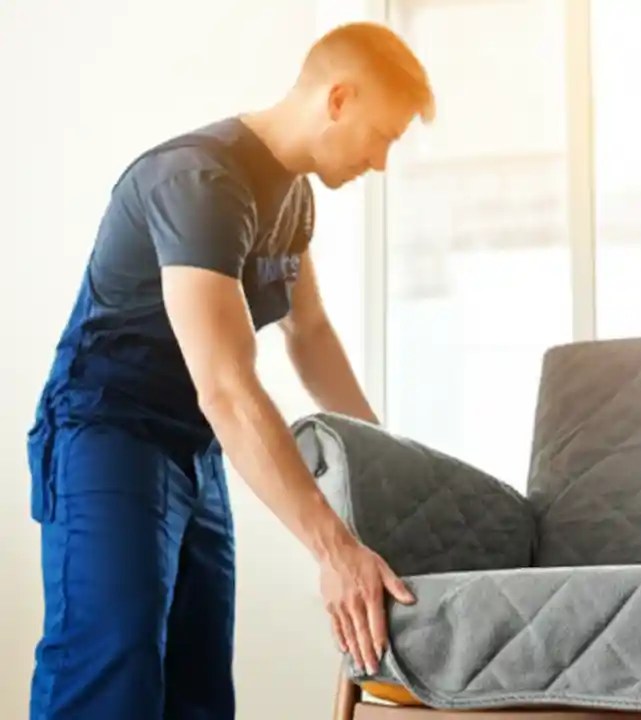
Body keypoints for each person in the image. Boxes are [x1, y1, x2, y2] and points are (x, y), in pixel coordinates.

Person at [26, 22, 432, 719]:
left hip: (195, 447)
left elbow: (310, 333)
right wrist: (334, 550)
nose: (381, 161)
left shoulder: (294, 199)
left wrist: (390, 461)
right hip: (108, 433)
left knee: (200, 689)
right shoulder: (199, 182)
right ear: (338, 99)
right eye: (382, 136)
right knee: (112, 678)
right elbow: (227, 387)